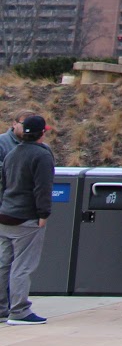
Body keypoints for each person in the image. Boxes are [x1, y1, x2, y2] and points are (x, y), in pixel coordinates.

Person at [0, 114, 55, 325]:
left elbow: (4, 184)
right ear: (42, 133)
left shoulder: (12, 153)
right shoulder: (42, 155)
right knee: (22, 266)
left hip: (5, 215)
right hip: (27, 218)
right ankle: (20, 310)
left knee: (4, 263)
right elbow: (43, 187)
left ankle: (2, 308)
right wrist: (43, 214)